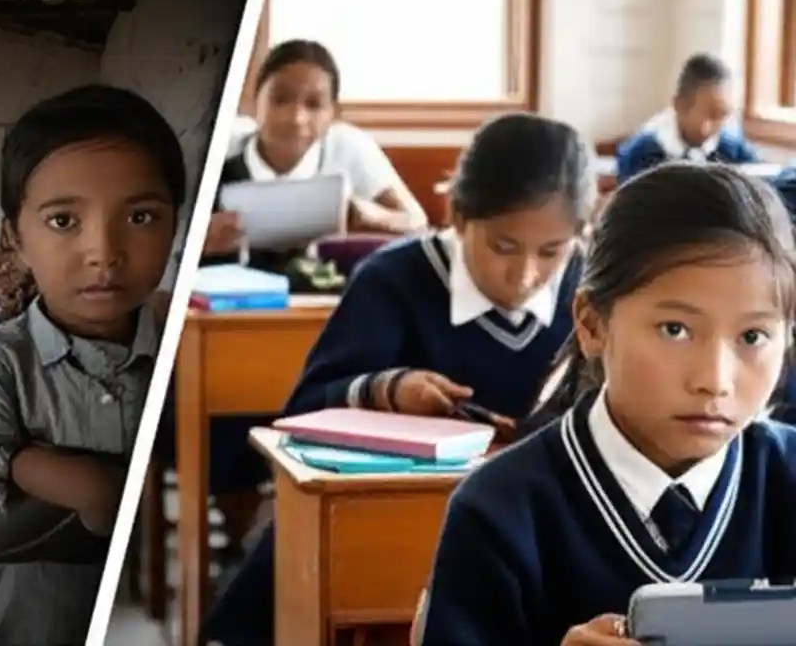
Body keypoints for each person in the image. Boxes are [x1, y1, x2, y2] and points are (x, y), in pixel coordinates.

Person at [204, 112, 595, 645]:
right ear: (458, 215)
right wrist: (388, 391)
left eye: (552, 251)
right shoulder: (394, 278)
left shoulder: (589, 293)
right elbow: (304, 408)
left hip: (537, 521)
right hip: (390, 518)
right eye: (503, 246)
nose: (526, 274)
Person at [418, 164, 796, 644]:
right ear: (592, 324)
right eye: (675, 330)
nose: (714, 381)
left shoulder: (787, 477)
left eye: (753, 336)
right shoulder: (500, 509)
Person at [0, 85, 183, 645]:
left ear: (175, 223)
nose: (104, 252)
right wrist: (105, 490)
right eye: (64, 221)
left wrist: (36, 469)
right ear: (15, 237)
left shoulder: (182, 351)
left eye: (140, 216)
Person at [204, 39, 427, 271]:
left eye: (313, 104)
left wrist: (366, 214)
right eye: (280, 99)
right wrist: (201, 239)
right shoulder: (217, 149)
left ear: (333, 113)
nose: (296, 118)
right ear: (253, 100)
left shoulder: (347, 148)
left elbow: (417, 223)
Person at [616, 53, 761, 184]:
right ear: (679, 105)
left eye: (722, 115)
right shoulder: (639, 154)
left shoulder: (732, 149)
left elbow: (761, 185)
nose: (713, 128)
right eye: (709, 115)